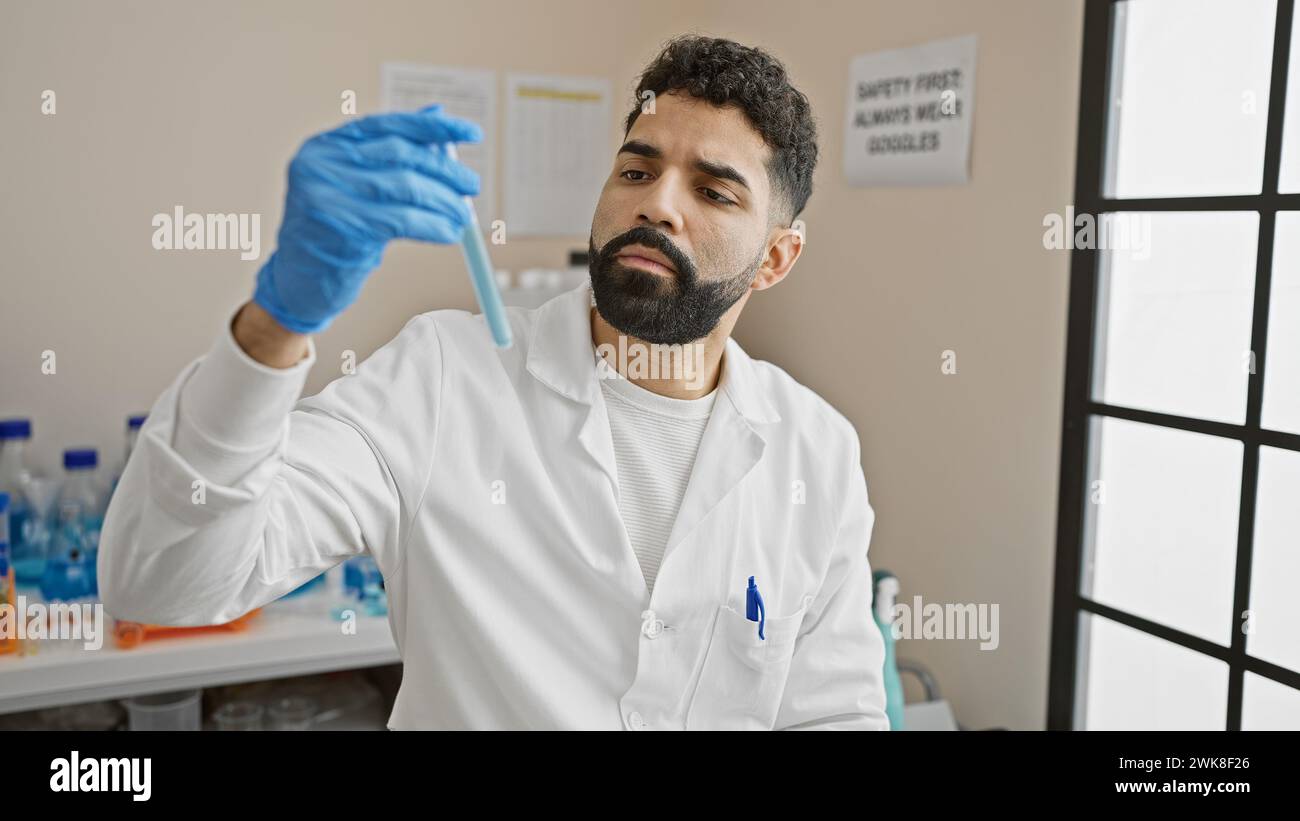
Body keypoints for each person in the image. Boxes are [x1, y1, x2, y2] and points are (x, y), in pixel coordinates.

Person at [99, 35, 888, 730]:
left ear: (777, 257)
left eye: (713, 190)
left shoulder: (815, 450)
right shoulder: (444, 375)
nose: (657, 205)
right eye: (637, 168)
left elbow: (834, 712)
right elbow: (159, 583)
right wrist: (276, 320)